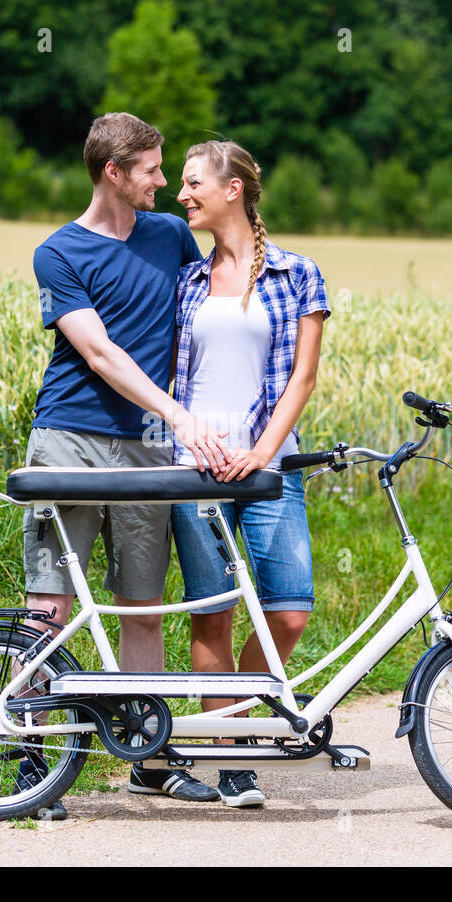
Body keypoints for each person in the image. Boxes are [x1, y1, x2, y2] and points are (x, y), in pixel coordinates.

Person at [18, 113, 232, 818]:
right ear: (114, 172)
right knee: (50, 604)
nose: (165, 183)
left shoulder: (169, 237)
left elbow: (229, 269)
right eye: (152, 170)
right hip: (69, 441)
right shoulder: (59, 253)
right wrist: (179, 415)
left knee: (144, 606)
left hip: (145, 451)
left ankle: (148, 756)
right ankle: (32, 758)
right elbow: (100, 353)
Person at [170, 140, 331, 808]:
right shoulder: (188, 279)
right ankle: (233, 757)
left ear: (232, 189)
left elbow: (304, 376)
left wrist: (264, 449)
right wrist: (184, 432)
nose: (182, 195)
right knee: (213, 616)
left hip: (269, 465)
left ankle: (241, 722)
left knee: (288, 611)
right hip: (194, 472)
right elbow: (172, 380)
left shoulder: (297, 274)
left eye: (193, 182)